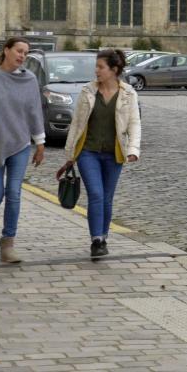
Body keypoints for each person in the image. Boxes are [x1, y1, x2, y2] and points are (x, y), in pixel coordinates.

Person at [0, 37, 46, 263]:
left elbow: (34, 112)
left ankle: (7, 243)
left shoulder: (29, 79)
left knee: (14, 193)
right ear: (6, 50)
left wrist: (40, 143)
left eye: (26, 52)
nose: (22, 56)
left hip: (19, 144)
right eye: (19, 51)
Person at [59, 48, 141, 258]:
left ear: (114, 70)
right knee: (96, 194)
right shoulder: (88, 91)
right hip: (88, 152)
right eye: (96, 66)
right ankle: (96, 240)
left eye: (100, 67)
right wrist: (70, 156)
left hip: (114, 153)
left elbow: (134, 124)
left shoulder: (128, 94)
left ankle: (103, 237)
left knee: (107, 198)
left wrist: (133, 149)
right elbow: (76, 124)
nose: (96, 71)